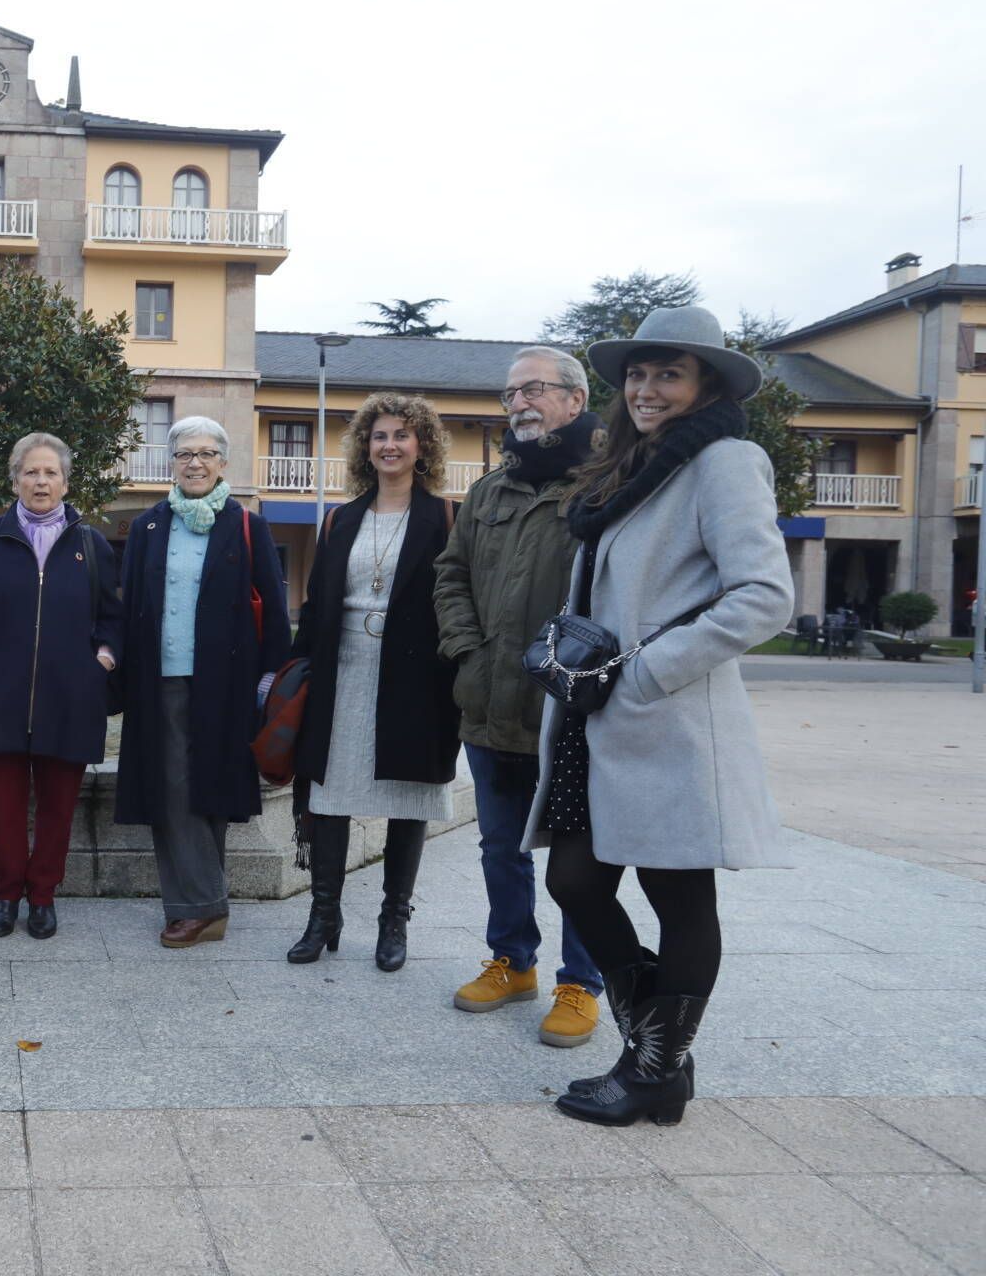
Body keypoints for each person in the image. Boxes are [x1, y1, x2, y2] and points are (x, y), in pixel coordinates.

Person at [530, 305, 794, 1126]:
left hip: (666, 720)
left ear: (703, 384)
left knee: (678, 897)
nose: (646, 389)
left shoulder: (724, 460)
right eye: (637, 374)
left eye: (667, 374)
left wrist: (646, 675)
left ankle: (653, 1068)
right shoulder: (634, 465)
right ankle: (657, 1055)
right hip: (598, 720)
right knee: (573, 877)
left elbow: (764, 596)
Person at [433, 348, 607, 1046]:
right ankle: (513, 960)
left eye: (533, 390)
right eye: (511, 395)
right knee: (500, 846)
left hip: (567, 713)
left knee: (578, 856)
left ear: (574, 398)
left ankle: (581, 982)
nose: (520, 405)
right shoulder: (488, 492)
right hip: (488, 703)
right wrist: (467, 652)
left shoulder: (605, 485)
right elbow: (451, 576)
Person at [286, 394, 460, 970]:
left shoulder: (447, 518)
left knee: (406, 799)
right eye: (379, 435)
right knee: (330, 797)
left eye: (401, 436)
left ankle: (394, 921)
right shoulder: (341, 517)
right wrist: (294, 671)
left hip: (416, 681)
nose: (389, 445)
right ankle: (323, 916)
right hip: (343, 675)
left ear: (422, 446)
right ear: (366, 445)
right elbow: (316, 606)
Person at [116, 417, 291, 947]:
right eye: (184, 453)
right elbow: (131, 610)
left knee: (211, 789)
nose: (195, 462)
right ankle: (199, 905)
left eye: (206, 453)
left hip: (228, 683)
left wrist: (271, 683)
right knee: (171, 788)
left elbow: (275, 610)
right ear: (171, 463)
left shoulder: (246, 525)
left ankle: (199, 905)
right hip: (161, 679)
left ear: (223, 463)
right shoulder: (149, 526)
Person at [0, 433, 122, 939]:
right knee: (0, 805)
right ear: (15, 480)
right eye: (31, 472)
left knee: (58, 804)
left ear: (66, 482)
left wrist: (105, 659)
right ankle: (6, 894)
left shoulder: (90, 544)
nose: (41, 481)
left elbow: (112, 617)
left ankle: (44, 895)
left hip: (71, 694)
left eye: (51, 473)